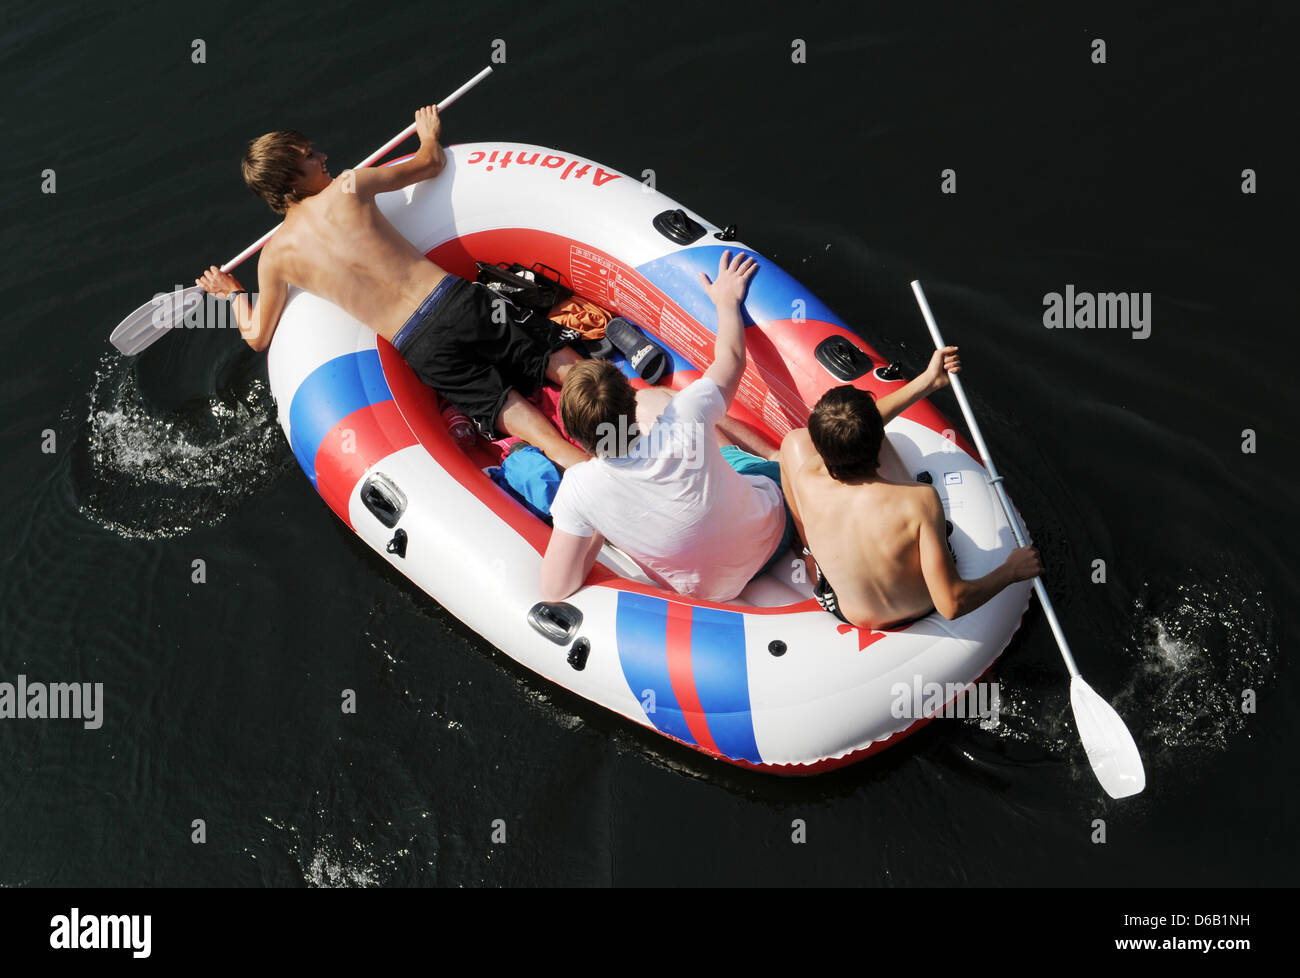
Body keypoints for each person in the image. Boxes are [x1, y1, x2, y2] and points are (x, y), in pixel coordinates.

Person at [194, 105, 586, 469]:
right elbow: (430, 163)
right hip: (454, 302)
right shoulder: (349, 186)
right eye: (309, 156)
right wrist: (428, 132)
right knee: (545, 356)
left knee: (500, 403)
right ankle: (625, 409)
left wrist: (231, 294)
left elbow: (257, 336)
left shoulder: (274, 258)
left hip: (418, 345)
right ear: (290, 179)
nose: (323, 156)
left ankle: (571, 460)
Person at [539, 250, 796, 602]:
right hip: (776, 530)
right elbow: (731, 360)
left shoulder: (578, 490)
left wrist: (595, 520)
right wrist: (726, 302)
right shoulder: (683, 414)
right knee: (666, 405)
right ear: (629, 402)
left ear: (576, 434)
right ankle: (778, 459)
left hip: (716, 591)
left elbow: (557, 588)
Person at [779, 351, 1042, 629]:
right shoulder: (918, 502)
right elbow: (951, 604)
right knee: (857, 439)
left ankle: (808, 551)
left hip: (849, 612)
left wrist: (927, 381)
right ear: (875, 439)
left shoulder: (806, 477)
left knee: (792, 443)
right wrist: (1011, 570)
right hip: (921, 605)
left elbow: (853, 434)